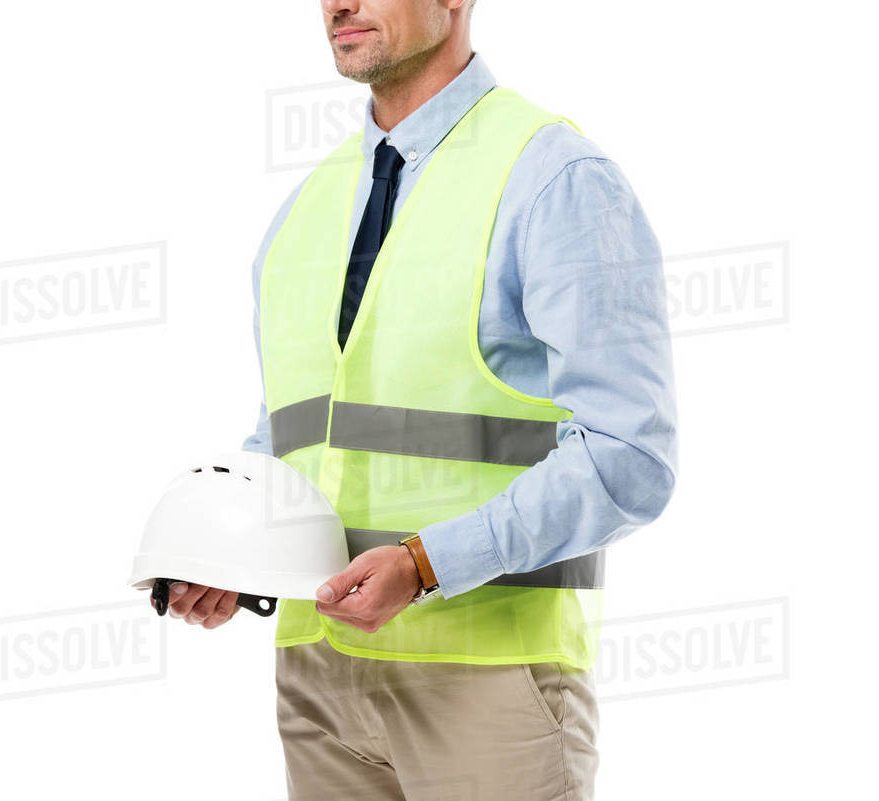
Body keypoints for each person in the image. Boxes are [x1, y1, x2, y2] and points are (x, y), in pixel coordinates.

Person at [163, 1, 678, 798]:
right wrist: (227, 555)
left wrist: (426, 563)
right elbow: (297, 436)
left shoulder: (552, 178)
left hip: (485, 680)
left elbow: (630, 456)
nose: (339, 2)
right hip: (318, 681)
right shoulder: (302, 209)